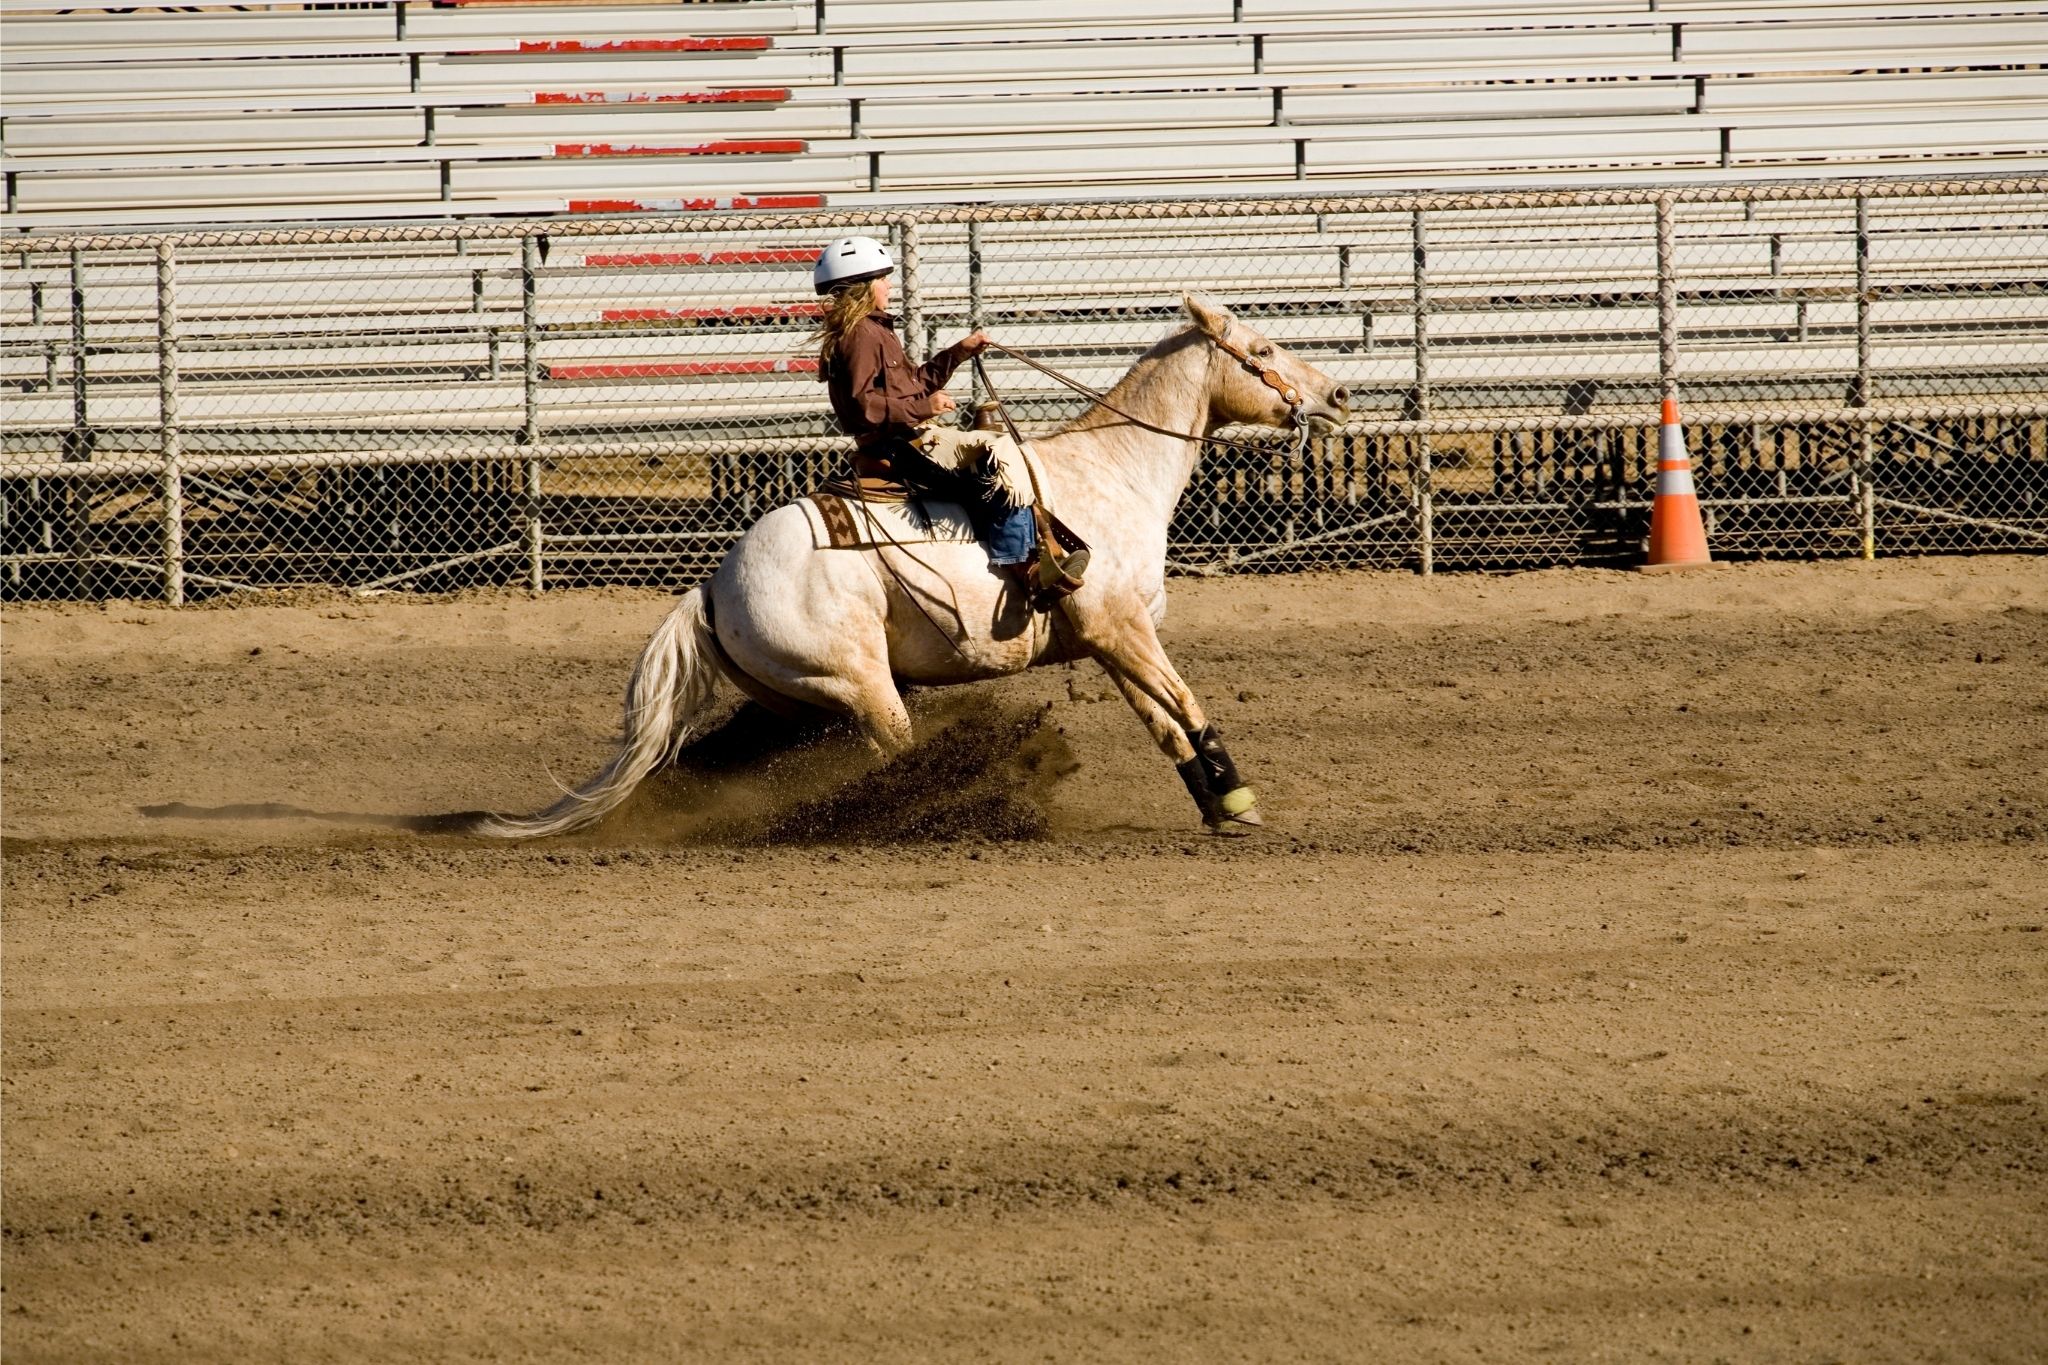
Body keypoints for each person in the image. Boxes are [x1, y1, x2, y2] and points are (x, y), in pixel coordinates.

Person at [811, 234, 1085, 603]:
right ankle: (1029, 570)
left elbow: (912, 384)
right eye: (883, 280)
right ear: (865, 286)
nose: (889, 286)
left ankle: (1037, 548)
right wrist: (925, 409)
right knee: (998, 457)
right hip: (898, 445)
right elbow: (866, 406)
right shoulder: (861, 335)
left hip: (908, 438)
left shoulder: (873, 330)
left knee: (995, 453)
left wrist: (959, 353)